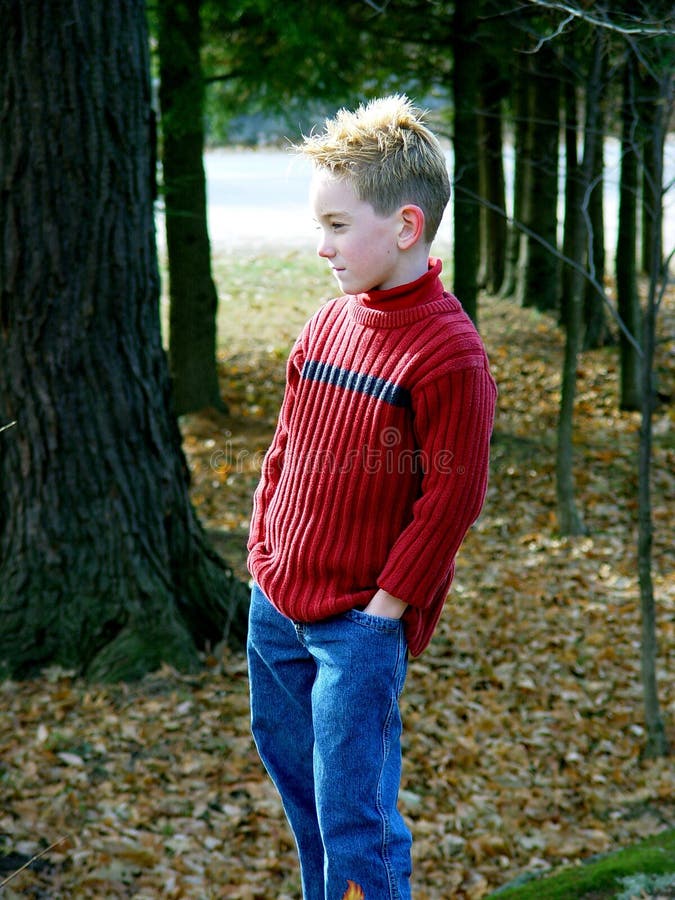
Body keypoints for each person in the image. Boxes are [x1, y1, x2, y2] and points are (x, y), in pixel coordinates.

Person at [246, 94, 497, 900]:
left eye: (336, 226)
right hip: (275, 606)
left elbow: (452, 500)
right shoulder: (328, 323)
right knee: (307, 803)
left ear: (405, 225)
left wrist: (383, 613)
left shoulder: (448, 352)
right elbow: (284, 445)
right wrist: (262, 551)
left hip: (355, 627)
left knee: (356, 821)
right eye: (318, 225)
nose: (321, 247)